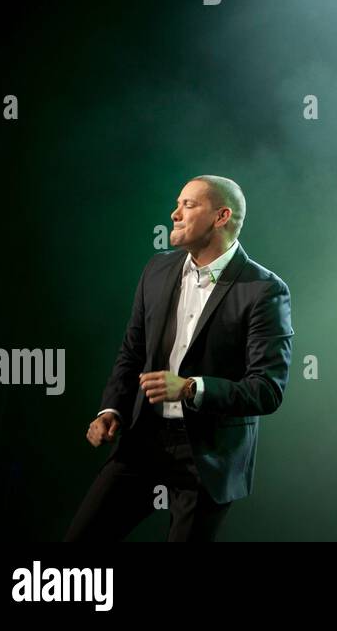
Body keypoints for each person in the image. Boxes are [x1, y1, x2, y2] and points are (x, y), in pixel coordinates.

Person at [65, 176, 293, 541]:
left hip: (207, 457)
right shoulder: (157, 269)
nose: (174, 213)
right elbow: (132, 351)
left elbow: (267, 390)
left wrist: (189, 388)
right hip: (143, 441)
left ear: (221, 216)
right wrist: (112, 409)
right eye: (177, 203)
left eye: (188, 205)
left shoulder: (264, 290)